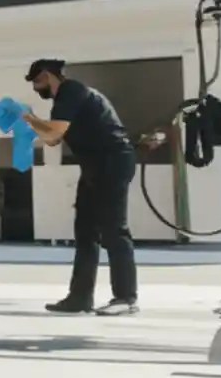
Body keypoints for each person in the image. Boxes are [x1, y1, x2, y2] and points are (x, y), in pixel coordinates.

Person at [21, 59, 139, 316]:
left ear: (47, 76)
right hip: (94, 167)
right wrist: (31, 121)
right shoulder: (64, 100)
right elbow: (53, 139)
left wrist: (29, 118)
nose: (35, 88)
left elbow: (52, 135)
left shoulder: (71, 91)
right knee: (85, 231)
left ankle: (126, 298)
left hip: (112, 161)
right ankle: (80, 298)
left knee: (113, 229)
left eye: (36, 82)